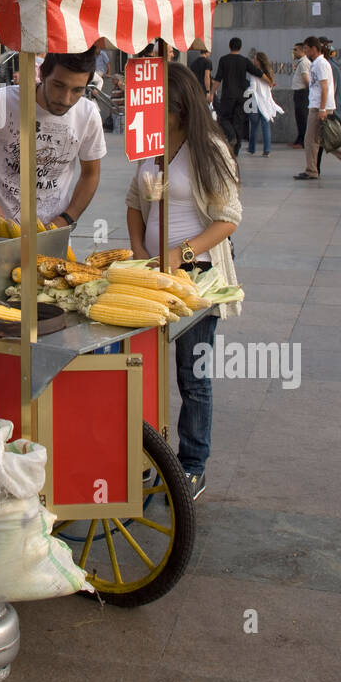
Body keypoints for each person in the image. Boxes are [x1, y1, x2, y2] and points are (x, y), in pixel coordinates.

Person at [126, 62, 242, 499]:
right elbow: (135, 201)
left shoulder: (208, 148)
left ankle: (193, 464)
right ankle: (152, 456)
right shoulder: (149, 145)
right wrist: (139, 249)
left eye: (157, 104)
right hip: (149, 275)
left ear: (179, 107)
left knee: (192, 376)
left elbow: (228, 219)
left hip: (198, 277)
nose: (149, 110)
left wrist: (179, 255)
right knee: (142, 369)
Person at [0, 48, 107, 228]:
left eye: (77, 90)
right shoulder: (2, 102)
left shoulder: (88, 115)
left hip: (52, 235)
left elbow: (90, 174)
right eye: (58, 85)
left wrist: (66, 218)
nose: (66, 99)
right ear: (42, 74)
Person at [293, 37, 341, 182]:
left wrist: (322, 109)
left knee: (311, 140)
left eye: (306, 48)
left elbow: (325, 88)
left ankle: (313, 170)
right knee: (325, 141)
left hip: (319, 108)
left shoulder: (321, 64)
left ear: (314, 48)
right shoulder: (317, 63)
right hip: (317, 106)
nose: (305, 50)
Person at [211, 37, 264, 158]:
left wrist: (212, 93)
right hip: (241, 97)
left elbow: (218, 78)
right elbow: (257, 72)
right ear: (240, 47)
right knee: (238, 122)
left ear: (230, 46)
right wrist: (270, 80)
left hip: (228, 96)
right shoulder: (244, 61)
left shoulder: (224, 60)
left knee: (223, 118)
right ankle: (236, 150)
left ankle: (232, 137)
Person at [246, 52, 282, 156]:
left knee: (253, 126)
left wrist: (246, 91)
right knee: (266, 126)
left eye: (255, 59)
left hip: (256, 101)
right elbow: (270, 87)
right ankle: (267, 149)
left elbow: (253, 87)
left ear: (258, 61)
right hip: (266, 102)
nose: (254, 60)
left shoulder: (254, 73)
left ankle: (252, 148)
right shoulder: (269, 73)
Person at [289, 42, 310, 146]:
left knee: (302, 117)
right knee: (299, 117)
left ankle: (303, 142)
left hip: (302, 93)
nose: (294, 52)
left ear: (302, 50)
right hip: (299, 92)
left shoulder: (304, 63)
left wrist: (307, 92)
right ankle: (299, 138)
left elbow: (307, 79)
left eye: (296, 50)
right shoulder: (300, 62)